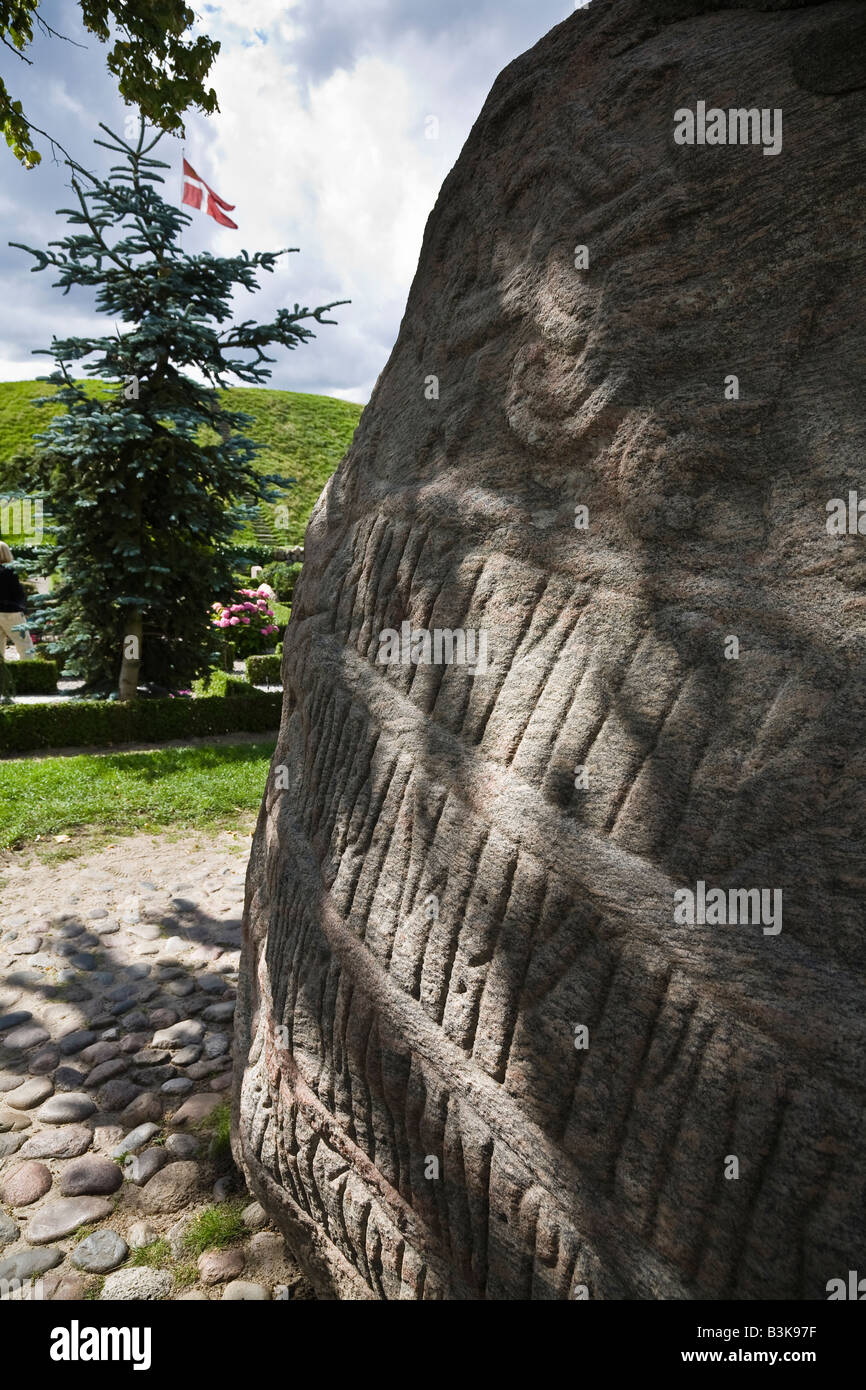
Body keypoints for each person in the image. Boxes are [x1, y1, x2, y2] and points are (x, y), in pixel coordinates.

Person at [0, 540, 37, 661]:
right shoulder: (10, 571)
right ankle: (30, 671)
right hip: (11, 612)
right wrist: (23, 608)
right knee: (24, 645)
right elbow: (17, 593)